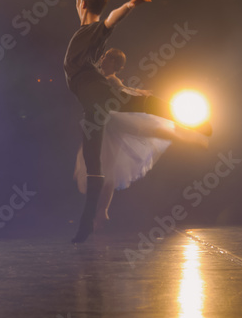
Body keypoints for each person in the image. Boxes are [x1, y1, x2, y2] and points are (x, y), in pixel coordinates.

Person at [64, 0, 211, 244]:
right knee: (94, 163)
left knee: (138, 105)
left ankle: (197, 124)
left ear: (84, 6)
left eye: (81, 0)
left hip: (95, 92)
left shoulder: (96, 30)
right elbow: (83, 5)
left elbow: (111, 19)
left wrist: (129, 6)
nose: (79, 4)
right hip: (90, 104)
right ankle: (87, 222)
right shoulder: (84, 25)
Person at [72, 48, 208, 232]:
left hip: (112, 119)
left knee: (149, 130)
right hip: (105, 125)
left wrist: (139, 93)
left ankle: (189, 138)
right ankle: (101, 213)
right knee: (109, 169)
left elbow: (122, 90)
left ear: (112, 63)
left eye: (105, 57)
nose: (102, 59)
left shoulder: (111, 78)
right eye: (103, 56)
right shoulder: (104, 77)